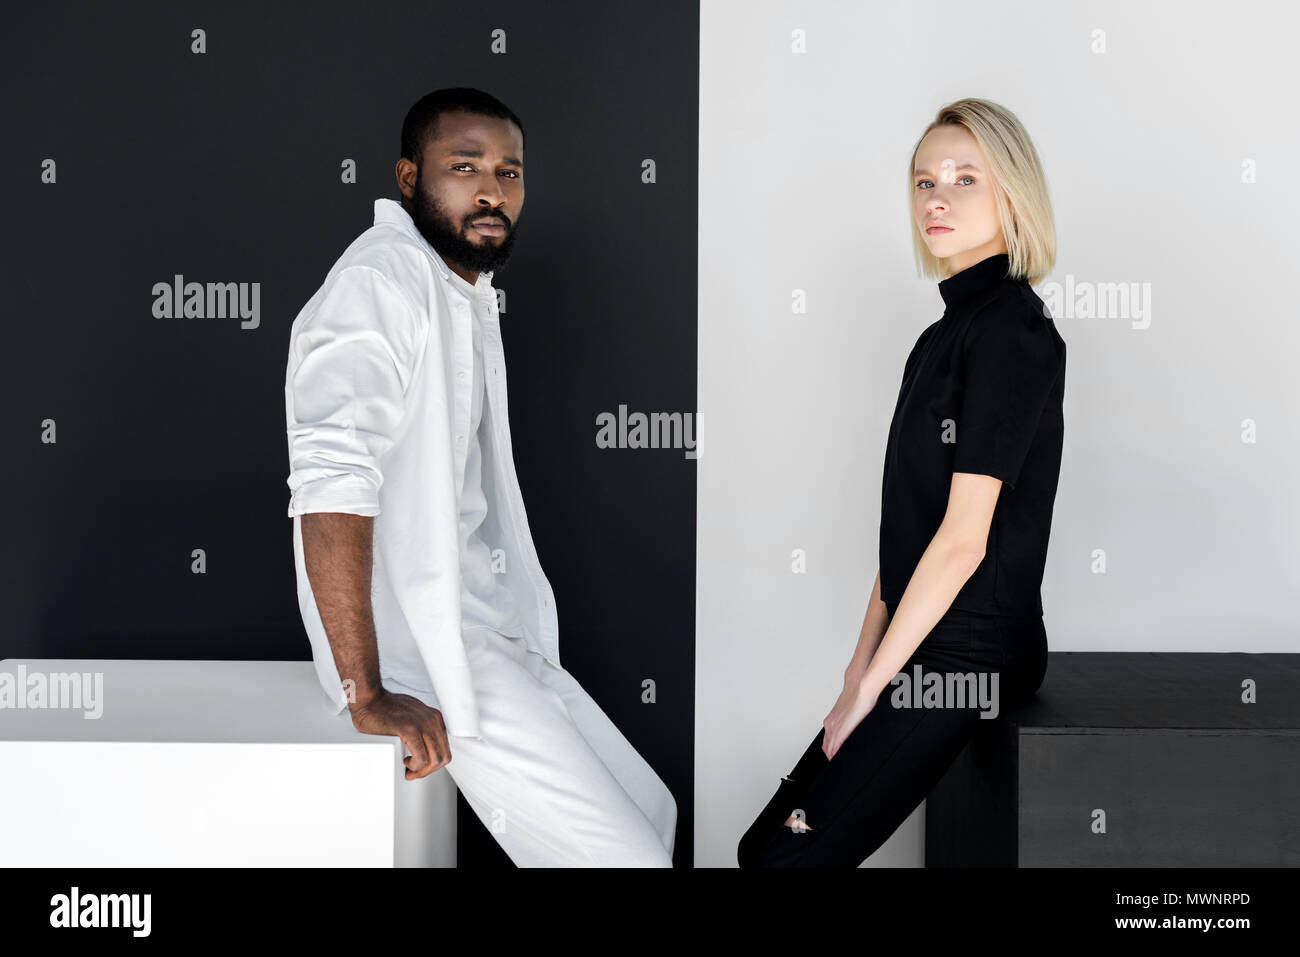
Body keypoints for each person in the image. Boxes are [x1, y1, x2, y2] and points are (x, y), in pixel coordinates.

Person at [283, 88, 676, 867]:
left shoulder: (461, 288)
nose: (492, 190)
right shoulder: (383, 282)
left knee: (652, 810)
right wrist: (367, 688)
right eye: (464, 167)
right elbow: (330, 479)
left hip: (492, 628)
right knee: (625, 857)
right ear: (408, 178)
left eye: (508, 171)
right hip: (424, 651)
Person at [737, 98, 1066, 867]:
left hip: (976, 650)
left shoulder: (1015, 334)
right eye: (923, 182)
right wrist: (861, 663)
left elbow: (959, 541)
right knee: (763, 849)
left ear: (1012, 194)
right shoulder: (938, 337)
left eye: (963, 179)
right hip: (922, 639)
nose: (937, 198)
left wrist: (872, 687)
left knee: (786, 861)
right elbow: (908, 528)